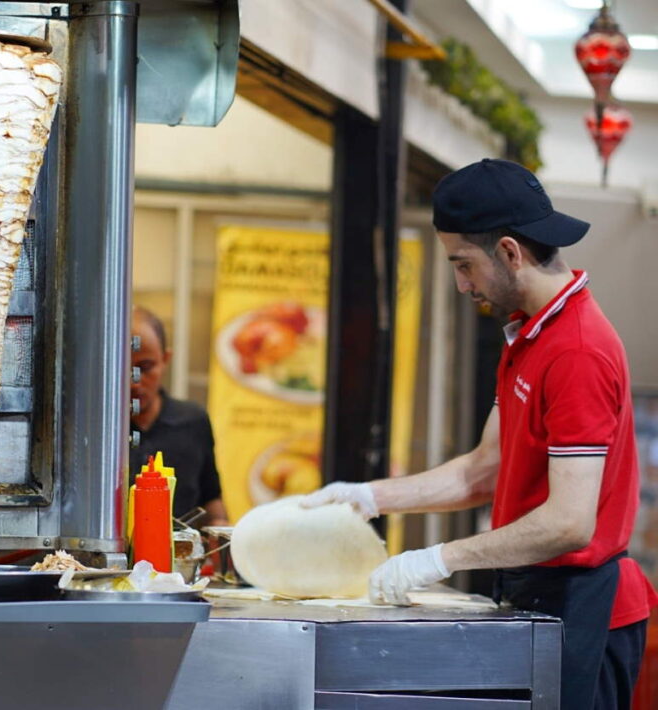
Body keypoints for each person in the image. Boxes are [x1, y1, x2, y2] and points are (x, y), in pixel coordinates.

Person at [302, 159, 658, 710]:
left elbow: (569, 522)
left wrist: (440, 558)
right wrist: (367, 498)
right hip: (537, 595)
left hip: (584, 606)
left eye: (464, 264)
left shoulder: (577, 351)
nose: (461, 284)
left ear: (511, 252)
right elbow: (483, 467)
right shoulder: (530, 337)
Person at [130, 307, 228, 526]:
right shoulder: (95, 429)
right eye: (124, 369)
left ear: (165, 359)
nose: (135, 382)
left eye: (145, 367)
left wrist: (221, 536)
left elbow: (212, 502)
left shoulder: (193, 421)